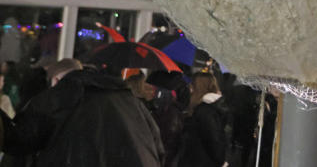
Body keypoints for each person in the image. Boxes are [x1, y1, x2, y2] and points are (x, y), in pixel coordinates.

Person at [0, 58, 164, 166]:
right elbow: (158, 150)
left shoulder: (59, 96)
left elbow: (18, 139)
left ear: (56, 80)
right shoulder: (131, 102)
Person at [179, 72, 232, 167]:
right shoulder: (207, 108)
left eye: (193, 85)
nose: (190, 89)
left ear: (199, 87)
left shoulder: (205, 111)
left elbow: (214, 141)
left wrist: (221, 161)